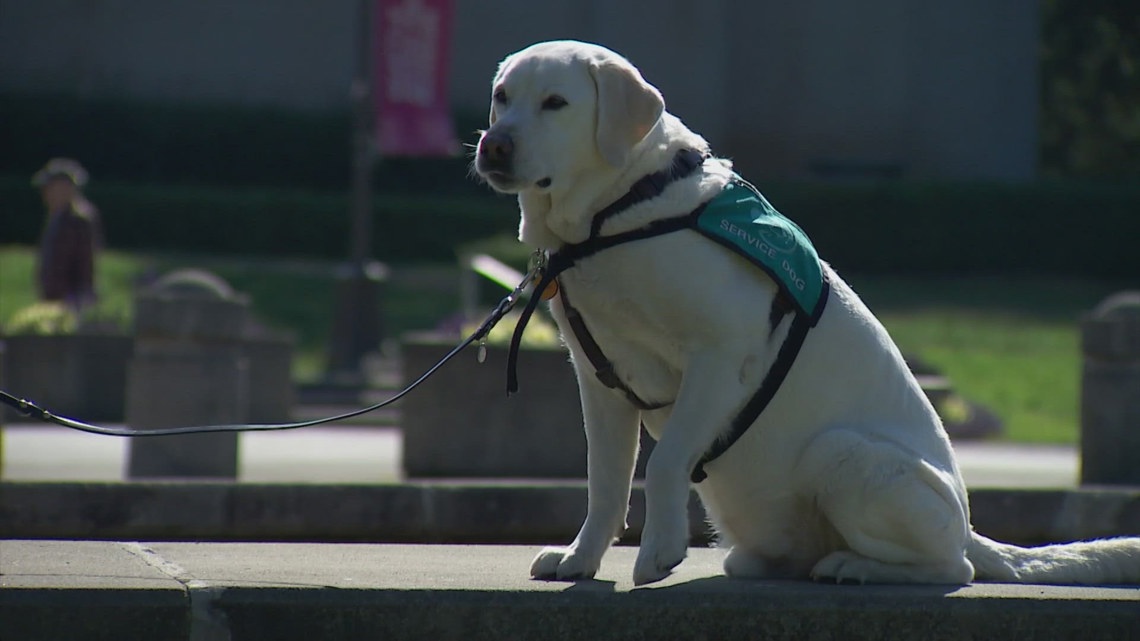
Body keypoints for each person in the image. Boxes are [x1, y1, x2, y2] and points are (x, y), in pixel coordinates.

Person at [31, 158, 103, 312]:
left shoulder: (78, 220)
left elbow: (83, 266)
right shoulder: (57, 217)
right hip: (53, 301)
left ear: (65, 188)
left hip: (70, 303)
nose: (45, 193)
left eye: (50, 187)